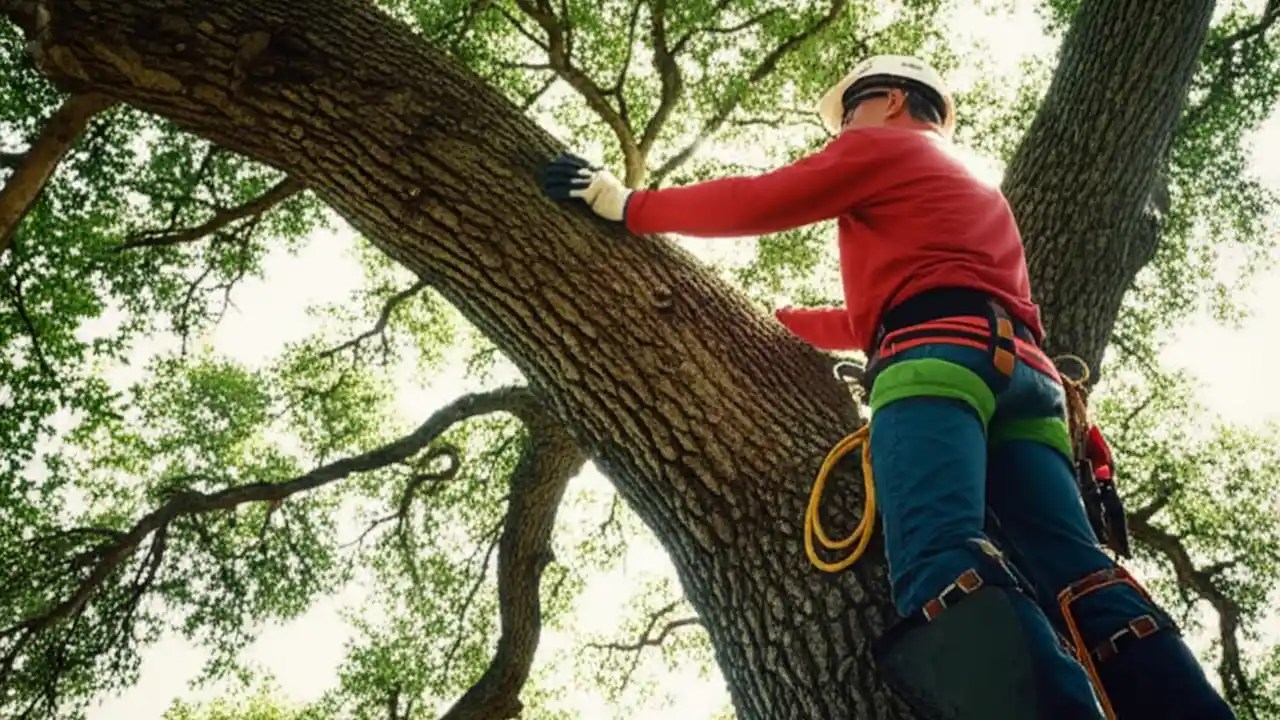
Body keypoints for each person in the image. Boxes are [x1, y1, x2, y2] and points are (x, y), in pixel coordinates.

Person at [539, 54, 1234, 720]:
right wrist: (782, 322)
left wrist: (626, 204)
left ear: (892, 100)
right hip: (1027, 380)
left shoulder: (885, 148)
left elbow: (761, 200)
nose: (843, 132)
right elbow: (879, 310)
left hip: (934, 365)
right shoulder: (974, 188)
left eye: (848, 114)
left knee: (942, 553)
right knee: (1075, 567)